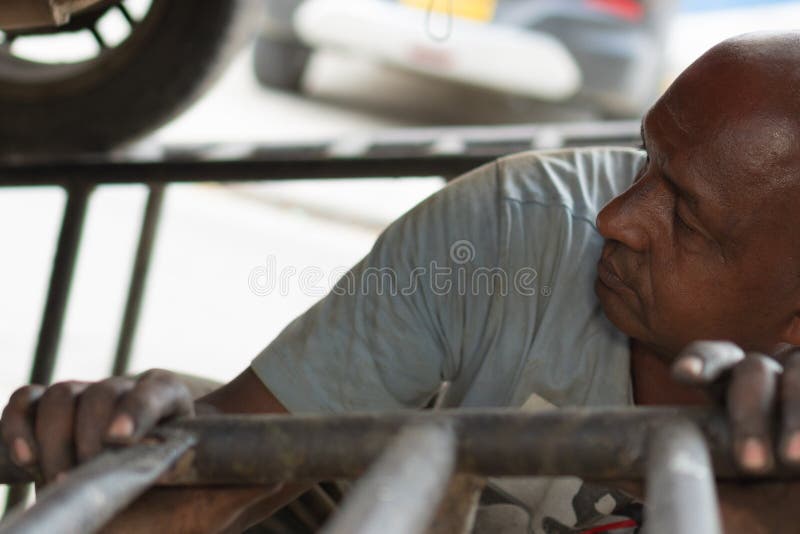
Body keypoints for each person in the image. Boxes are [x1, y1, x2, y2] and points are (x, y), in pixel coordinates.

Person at [4, 30, 800, 533]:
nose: (618, 218)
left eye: (687, 219)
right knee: (179, 422)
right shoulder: (513, 226)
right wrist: (111, 462)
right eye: (645, 160)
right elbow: (241, 455)